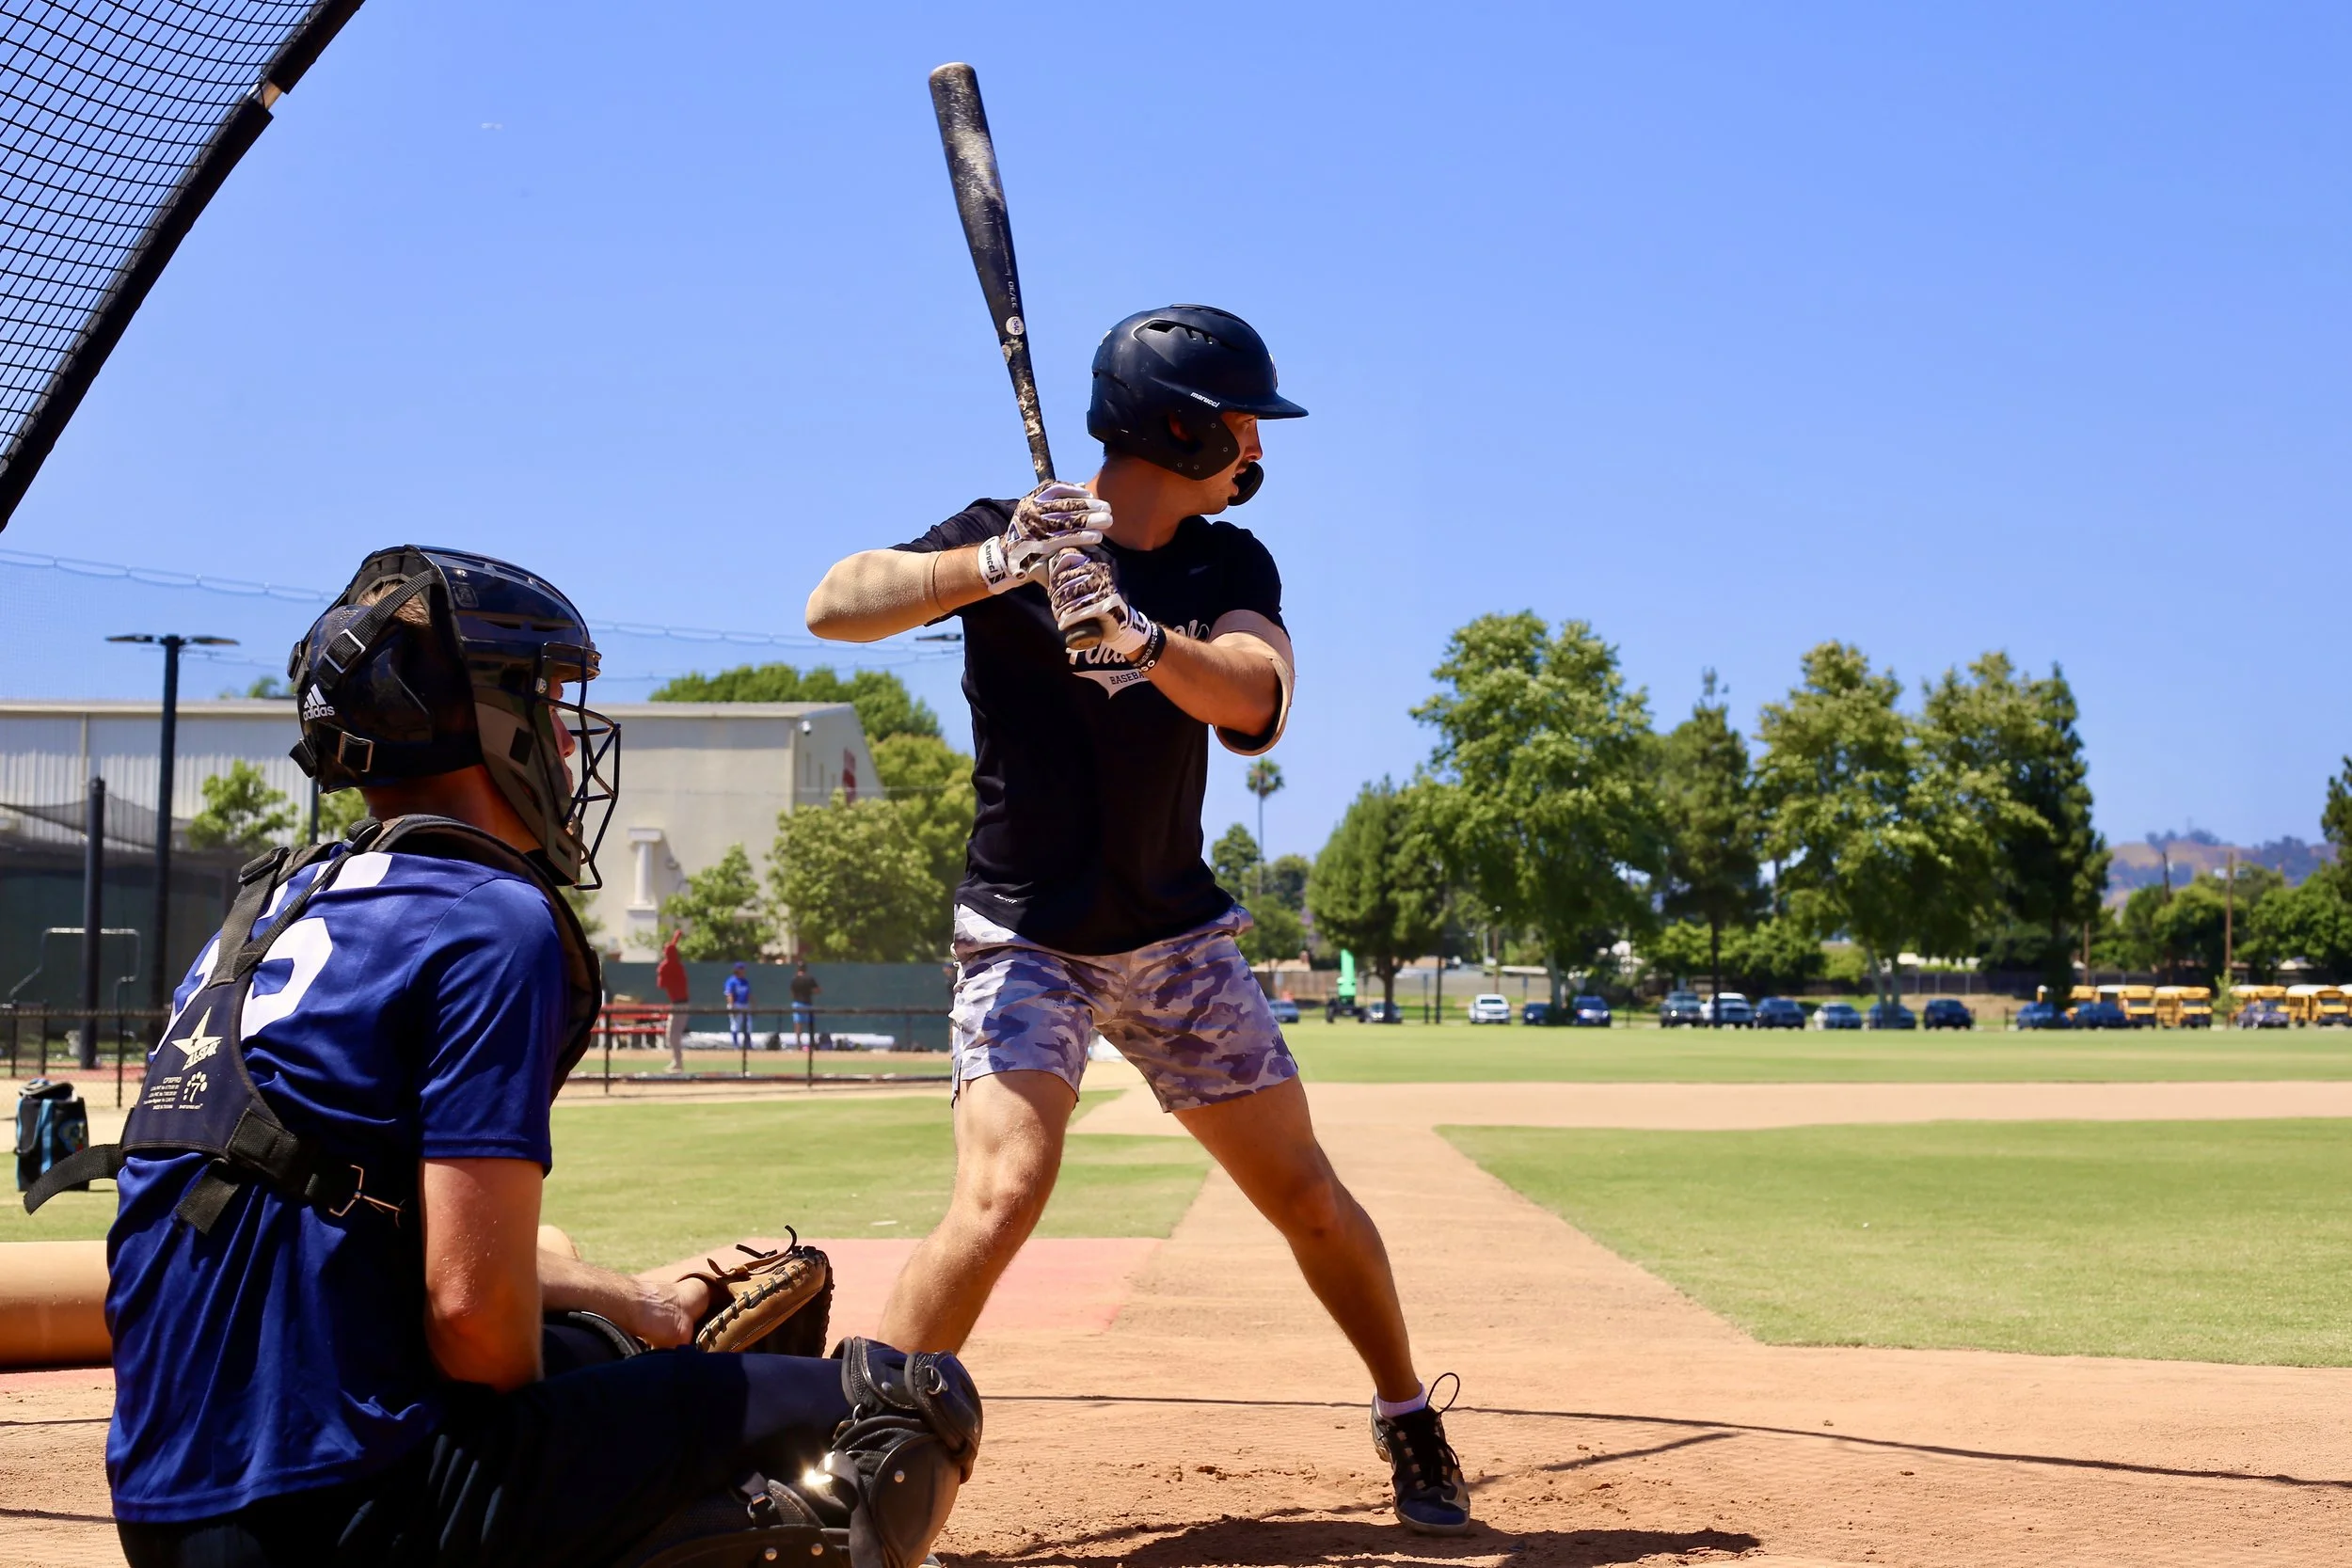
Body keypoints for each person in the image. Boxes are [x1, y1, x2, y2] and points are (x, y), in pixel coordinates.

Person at [82, 546, 979, 1568]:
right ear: (489, 718)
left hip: (169, 1518)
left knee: (603, 1353)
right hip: (337, 1514)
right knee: (906, 1405)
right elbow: (471, 1322)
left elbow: (362, 1242)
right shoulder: (487, 915)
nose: (563, 735)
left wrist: (620, 1308)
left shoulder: (256, 918)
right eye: (546, 700)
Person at [806, 306, 1470, 1534]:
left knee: (1307, 1195)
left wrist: (1133, 633)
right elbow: (835, 603)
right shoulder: (1008, 537)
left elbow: (1256, 697)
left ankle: (1406, 1413)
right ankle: (850, 1462)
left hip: (1174, 938)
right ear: (1178, 425)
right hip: (1023, 935)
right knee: (1004, 1188)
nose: (1253, 445)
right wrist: (996, 562)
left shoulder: (1228, 566)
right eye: (1238, 422)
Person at [657, 929, 691, 1071]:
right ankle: (677, 1061)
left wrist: (661, 970)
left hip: (679, 1004)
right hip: (681, 1003)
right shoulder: (678, 964)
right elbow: (671, 950)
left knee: (673, 1035)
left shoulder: (666, 966)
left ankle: (678, 1062)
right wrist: (675, 938)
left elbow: (660, 985)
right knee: (672, 1035)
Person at [724, 961, 755, 1052]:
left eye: (743, 968)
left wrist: (753, 1003)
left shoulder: (745, 981)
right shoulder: (731, 981)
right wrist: (732, 1007)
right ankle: (735, 1045)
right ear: (737, 970)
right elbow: (729, 994)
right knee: (735, 1025)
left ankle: (748, 1044)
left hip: (745, 1004)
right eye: (741, 969)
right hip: (736, 1004)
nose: (743, 970)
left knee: (748, 1025)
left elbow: (748, 993)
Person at [790, 959, 820, 1049]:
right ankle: (812, 1042)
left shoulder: (794, 979)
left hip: (797, 1003)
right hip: (807, 1003)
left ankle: (798, 1043)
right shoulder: (809, 979)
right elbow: (817, 990)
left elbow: (792, 992)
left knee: (798, 1024)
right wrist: (809, 991)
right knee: (810, 1023)